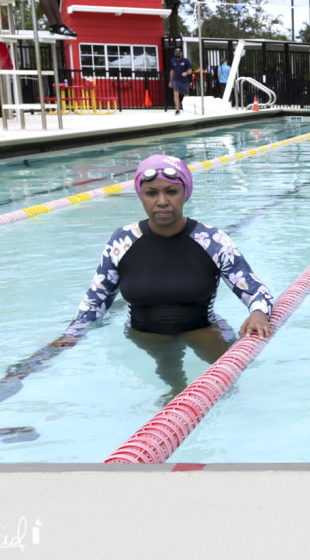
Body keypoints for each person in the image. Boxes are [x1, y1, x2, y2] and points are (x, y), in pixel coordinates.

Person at [64, 155, 274, 402]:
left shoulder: (212, 240)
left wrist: (258, 313)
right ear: (140, 195)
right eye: (151, 193)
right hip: (144, 333)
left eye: (171, 192)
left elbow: (256, 290)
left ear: (185, 193)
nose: (162, 202)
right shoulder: (122, 241)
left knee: (228, 392)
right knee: (172, 389)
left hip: (202, 329)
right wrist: (73, 333)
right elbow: (95, 300)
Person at [170, 48, 193, 115]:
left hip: (184, 81)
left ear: (181, 53)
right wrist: (170, 81)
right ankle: (177, 109)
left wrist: (186, 73)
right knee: (175, 94)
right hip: (176, 80)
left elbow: (190, 70)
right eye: (176, 53)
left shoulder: (185, 60)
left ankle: (187, 108)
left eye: (178, 53)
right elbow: (172, 71)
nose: (177, 54)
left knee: (186, 95)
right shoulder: (173, 61)